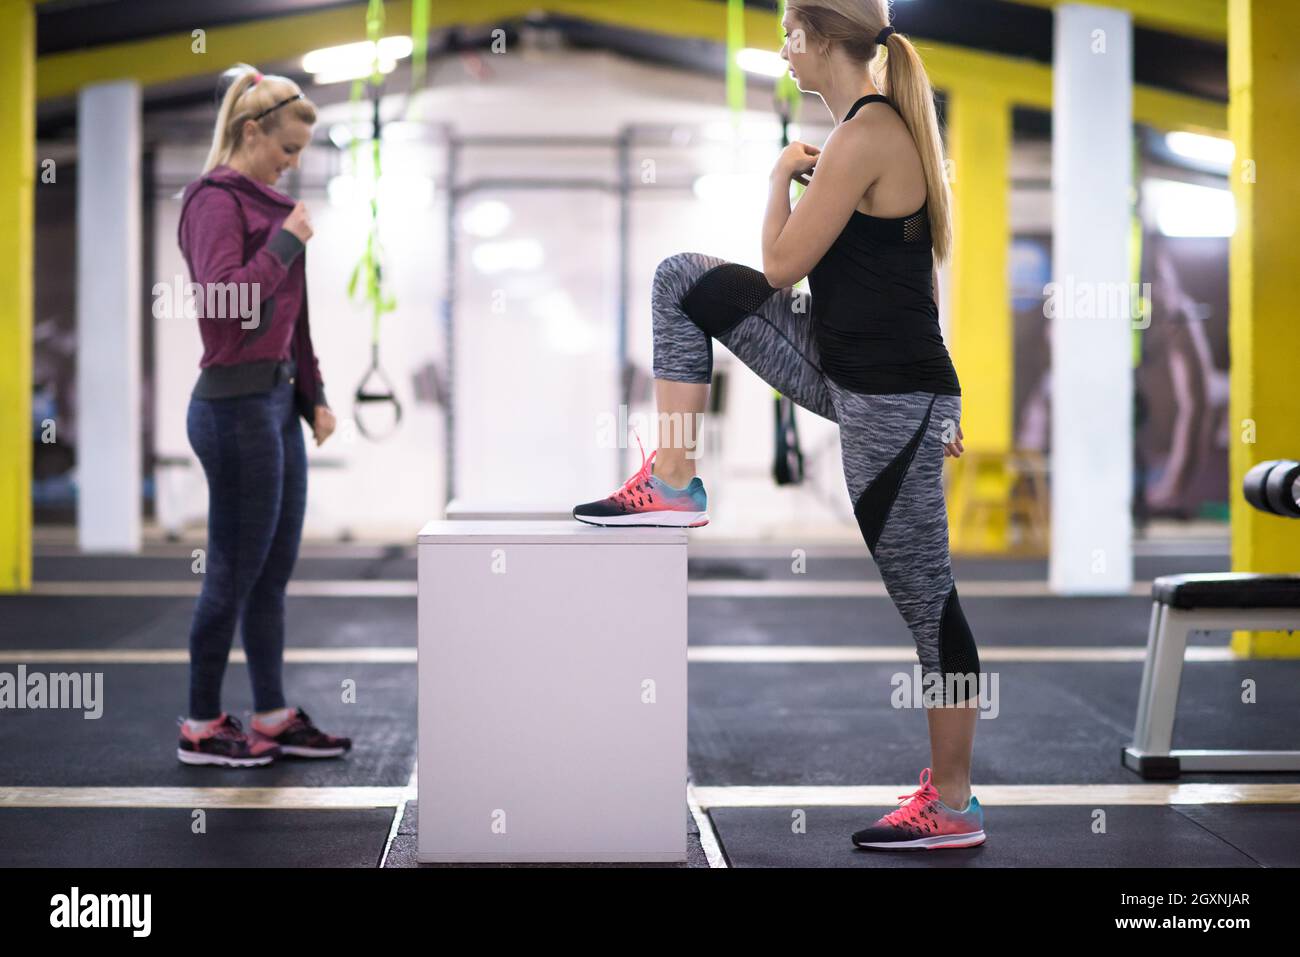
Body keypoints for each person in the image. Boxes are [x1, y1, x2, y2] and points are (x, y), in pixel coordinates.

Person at [573, 2, 984, 849]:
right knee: (682, 280)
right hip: (847, 365)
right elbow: (909, 284)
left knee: (927, 601)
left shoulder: (866, 135)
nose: (783, 49)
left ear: (826, 39)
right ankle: (676, 481)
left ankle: (954, 803)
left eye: (791, 34)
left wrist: (774, 183)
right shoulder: (866, 134)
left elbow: (779, 264)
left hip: (887, 400)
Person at [174, 64, 351, 767]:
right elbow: (224, 308)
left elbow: (293, 322)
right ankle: (200, 722)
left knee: (270, 575)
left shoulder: (275, 207)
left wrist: (314, 395)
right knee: (231, 572)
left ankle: (271, 714)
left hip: (275, 405)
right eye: (286, 150)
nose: (292, 163)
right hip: (233, 408)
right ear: (252, 132)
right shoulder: (213, 201)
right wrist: (286, 243)